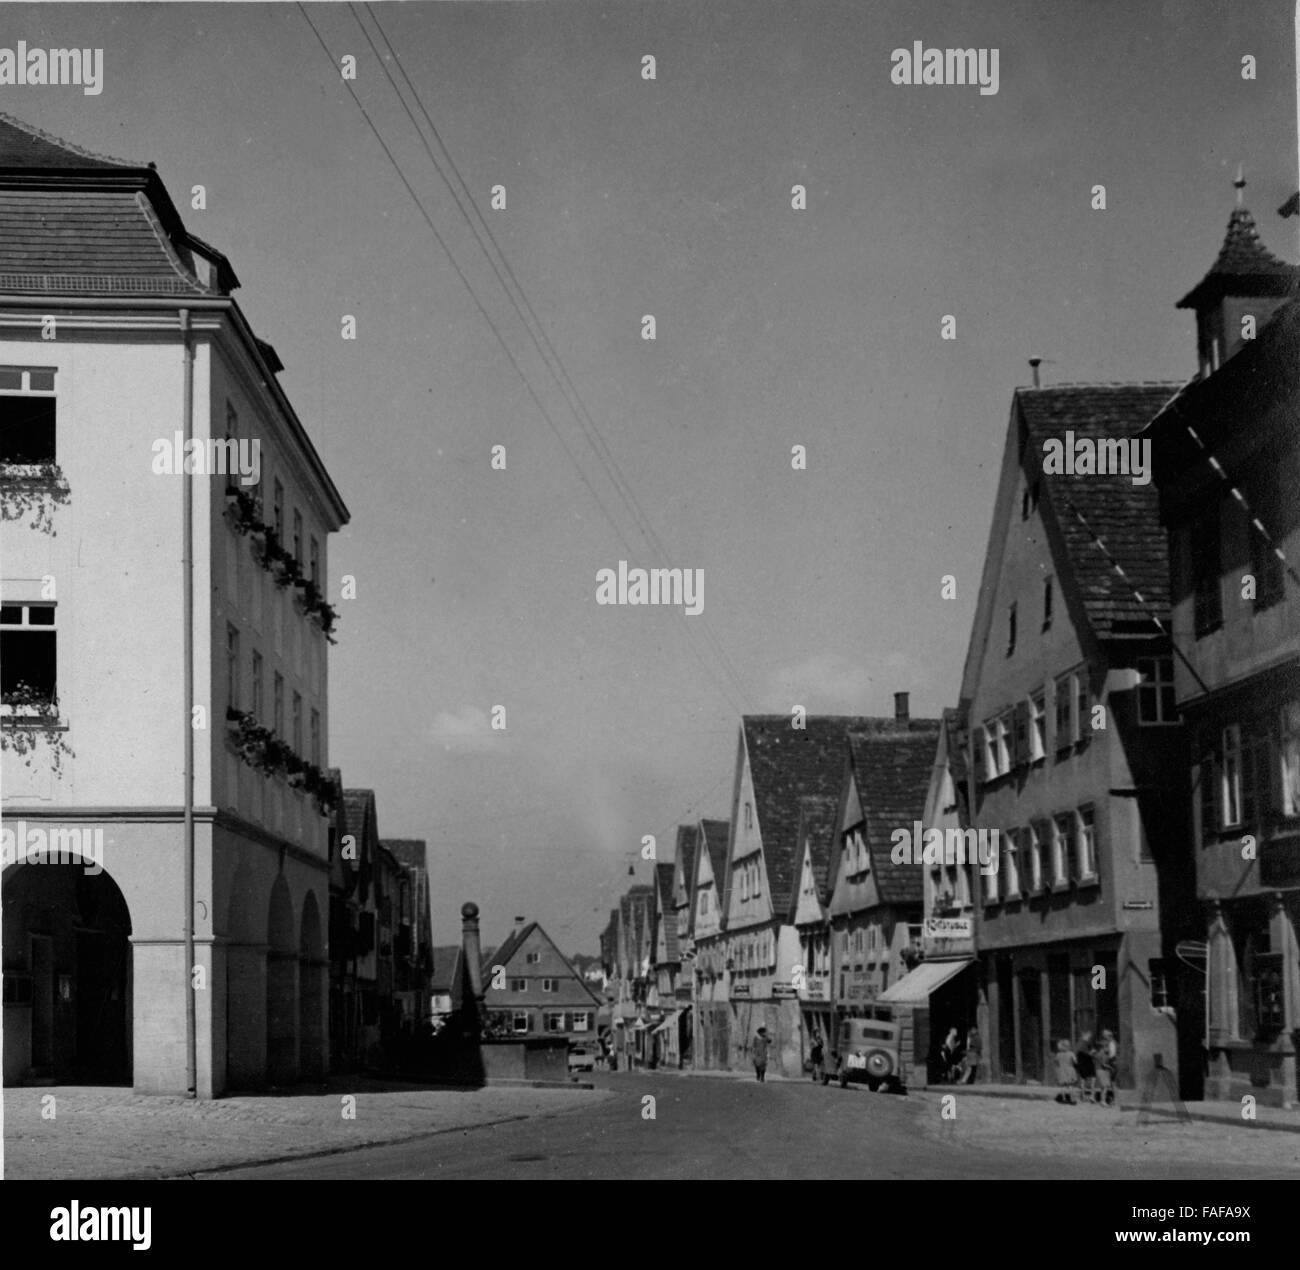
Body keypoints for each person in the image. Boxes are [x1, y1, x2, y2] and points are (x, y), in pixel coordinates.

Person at [1095, 1029, 1118, 1106]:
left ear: (1109, 1036)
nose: (1104, 1038)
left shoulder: (1111, 1043)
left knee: (1110, 1084)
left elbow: (1112, 1055)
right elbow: (1110, 1056)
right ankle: (1112, 1100)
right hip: (1107, 1066)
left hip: (1110, 1065)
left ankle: (1112, 1100)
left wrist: (1109, 1064)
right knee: (1109, 1084)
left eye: (1105, 1036)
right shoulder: (1108, 1045)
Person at [1054, 1038, 1078, 1104]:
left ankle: (1063, 1099)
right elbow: (1075, 1062)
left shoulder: (1058, 1054)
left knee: (1063, 1086)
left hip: (1062, 1070)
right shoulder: (1071, 1053)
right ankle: (1072, 1099)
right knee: (1070, 1085)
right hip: (1070, 1069)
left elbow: (1056, 1062)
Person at [1075, 1032, 1097, 1104]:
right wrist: (1093, 1052)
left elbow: (1077, 1054)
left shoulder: (1079, 1044)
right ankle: (1092, 1096)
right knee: (1093, 1079)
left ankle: (1083, 1096)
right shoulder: (1087, 1043)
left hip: (1081, 1064)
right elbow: (1090, 1053)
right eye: (1089, 1036)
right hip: (1088, 1063)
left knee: (1083, 1080)